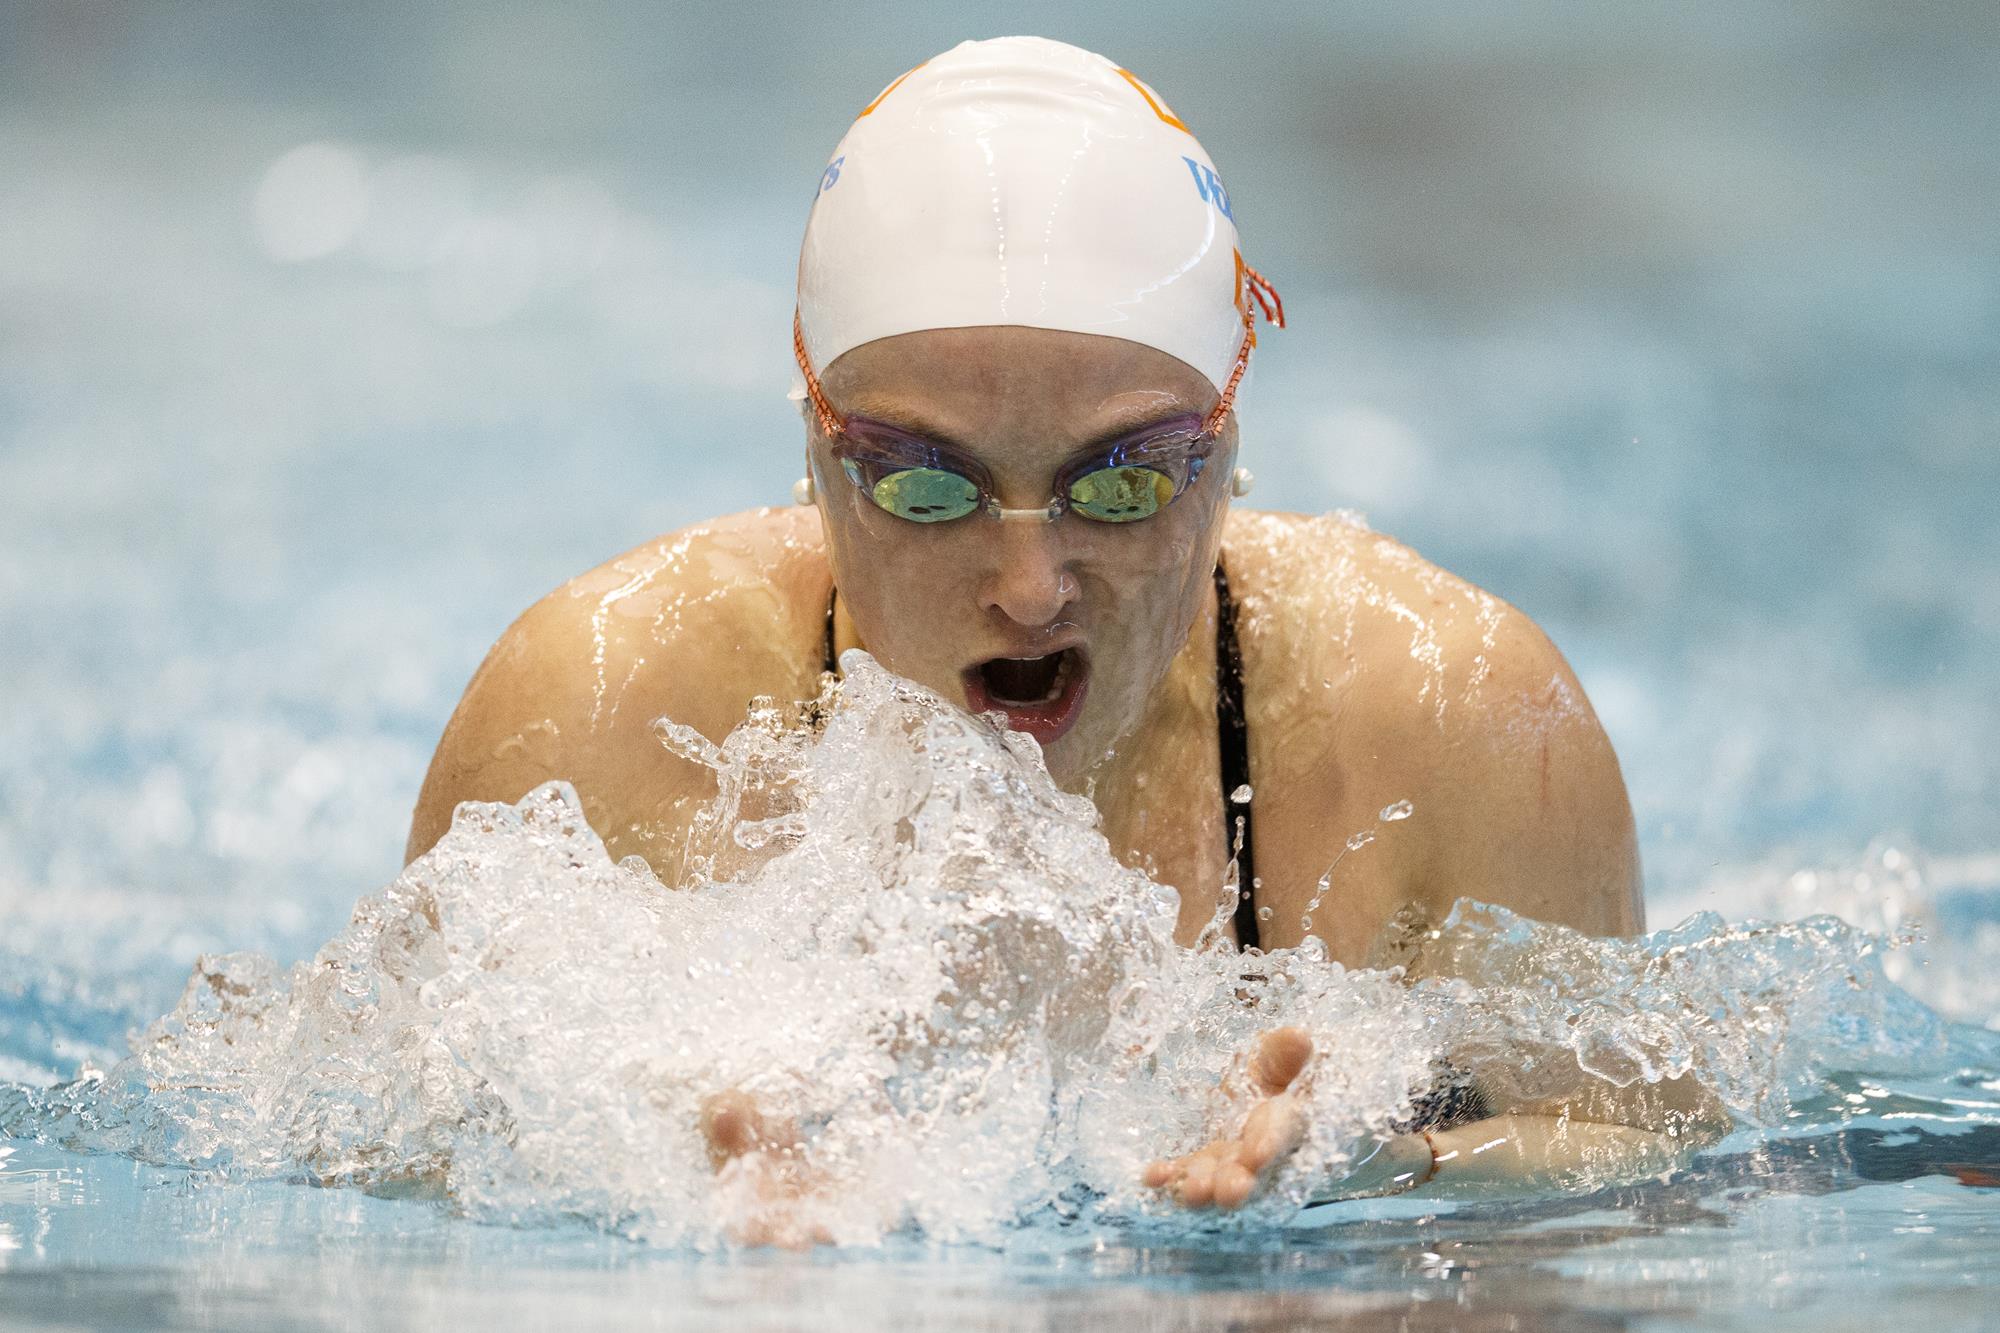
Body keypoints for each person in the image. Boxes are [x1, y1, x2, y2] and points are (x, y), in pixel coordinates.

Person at [406, 37, 1704, 1224]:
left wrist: (1386, 1172)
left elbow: (1666, 1159)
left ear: (1225, 458)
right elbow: (374, 1161)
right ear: (818, 454)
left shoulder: (1457, 727)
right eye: (927, 482)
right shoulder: (594, 719)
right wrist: (638, 1186)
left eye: (1122, 481)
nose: (1029, 584)